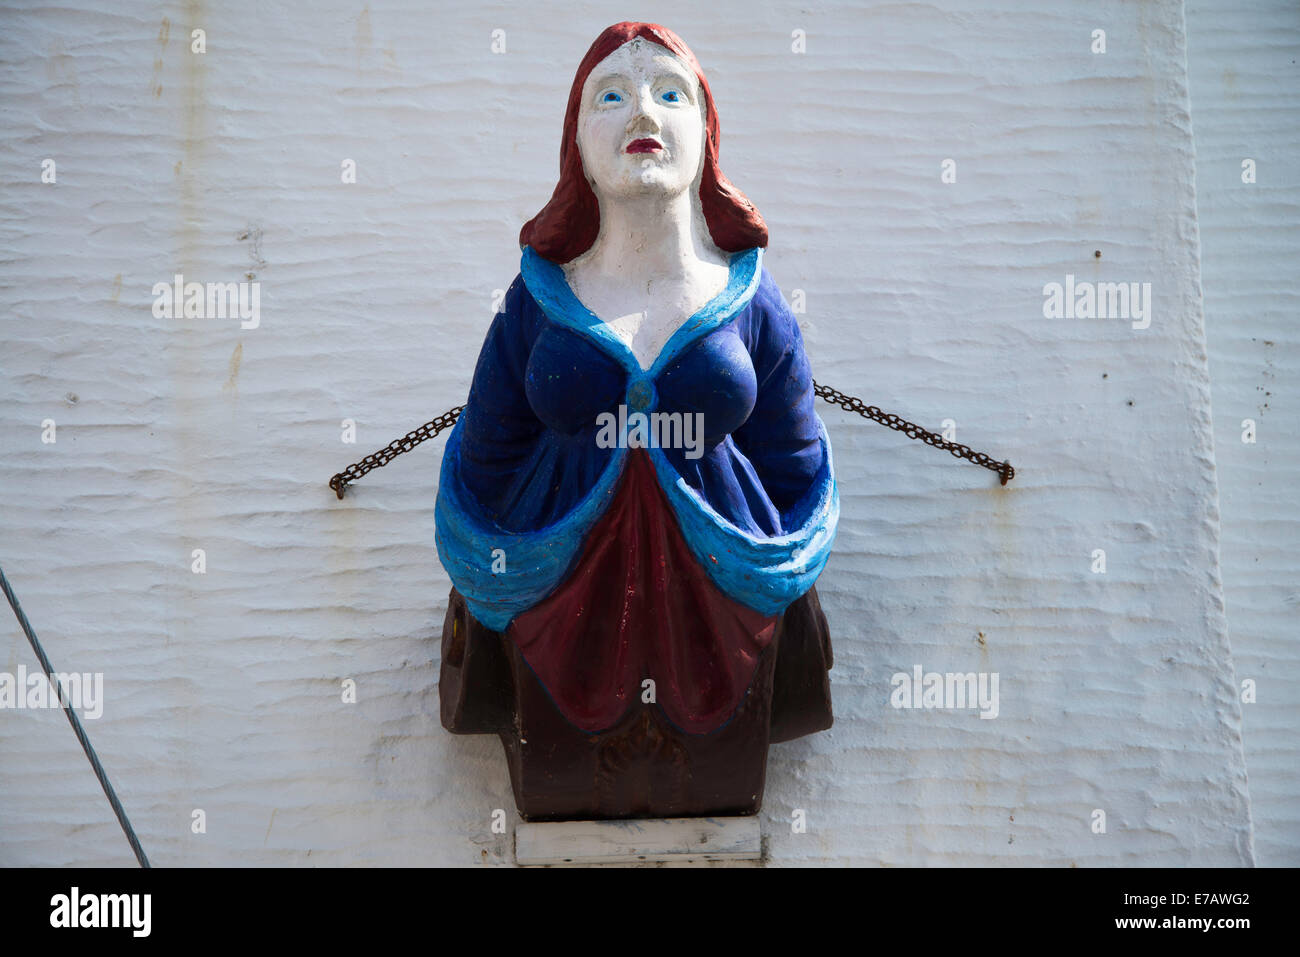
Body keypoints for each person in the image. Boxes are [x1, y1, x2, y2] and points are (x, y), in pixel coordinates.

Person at [434, 21, 839, 821]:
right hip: (553, 603)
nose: (639, 114)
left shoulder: (752, 303)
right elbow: (485, 457)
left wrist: (778, 562)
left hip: (730, 609)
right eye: (609, 97)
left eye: (668, 93)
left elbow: (796, 467)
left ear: (706, 133)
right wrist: (495, 568)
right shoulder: (537, 302)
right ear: (576, 145)